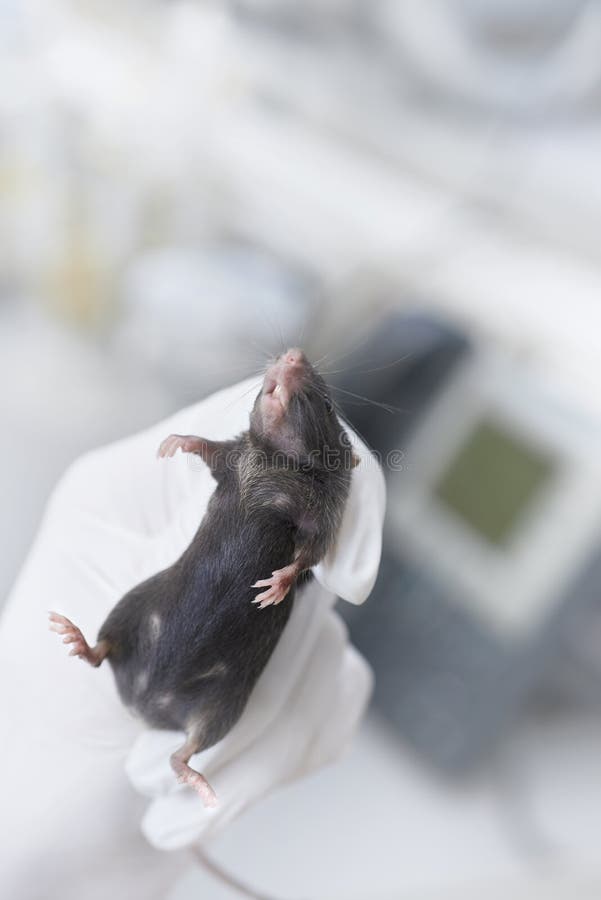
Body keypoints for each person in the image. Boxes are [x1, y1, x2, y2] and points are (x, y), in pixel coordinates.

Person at [0, 376, 385, 900]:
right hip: (153, 633)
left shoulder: (315, 490)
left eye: (311, 394)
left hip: (210, 677)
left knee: (229, 701)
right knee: (139, 607)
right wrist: (196, 444)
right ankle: (98, 650)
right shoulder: (245, 453)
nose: (288, 366)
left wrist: (293, 571)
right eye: (282, 377)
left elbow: (314, 543)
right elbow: (221, 458)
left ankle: (186, 757)